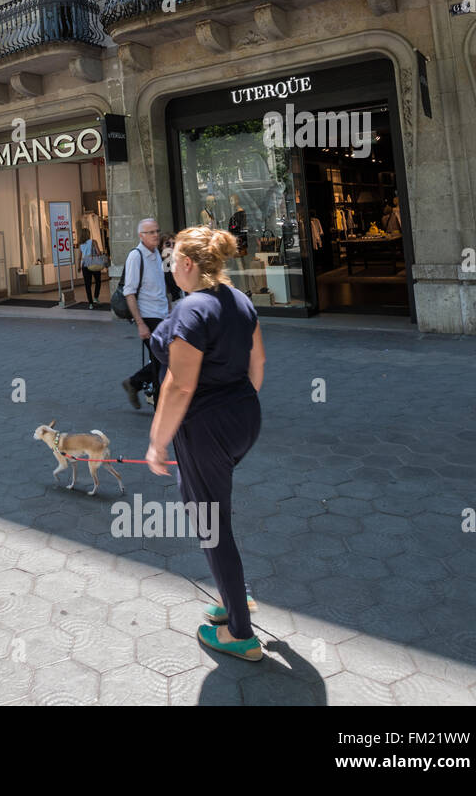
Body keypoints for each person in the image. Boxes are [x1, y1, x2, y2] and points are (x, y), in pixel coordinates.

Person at [146, 226, 266, 662]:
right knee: (213, 512)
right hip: (244, 417)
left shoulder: (191, 309)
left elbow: (178, 387)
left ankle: (241, 633)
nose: (170, 265)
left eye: (173, 258)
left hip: (205, 425)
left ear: (190, 264)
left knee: (212, 524)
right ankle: (236, 599)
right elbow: (258, 363)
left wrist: (157, 443)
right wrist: (239, 406)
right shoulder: (240, 300)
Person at [121, 218, 171, 409]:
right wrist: (140, 323)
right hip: (148, 317)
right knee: (162, 362)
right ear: (141, 235)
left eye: (157, 231)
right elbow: (129, 292)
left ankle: (134, 383)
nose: (156, 235)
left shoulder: (157, 254)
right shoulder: (136, 256)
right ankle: (160, 406)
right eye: (150, 232)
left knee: (163, 360)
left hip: (162, 315)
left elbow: (160, 287)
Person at [79, 232, 105, 309]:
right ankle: (96, 297)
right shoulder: (93, 241)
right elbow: (98, 252)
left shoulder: (81, 244)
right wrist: (99, 255)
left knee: (87, 284)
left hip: (84, 264)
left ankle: (90, 304)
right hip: (93, 263)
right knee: (98, 281)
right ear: (88, 234)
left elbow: (79, 257)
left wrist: (78, 266)